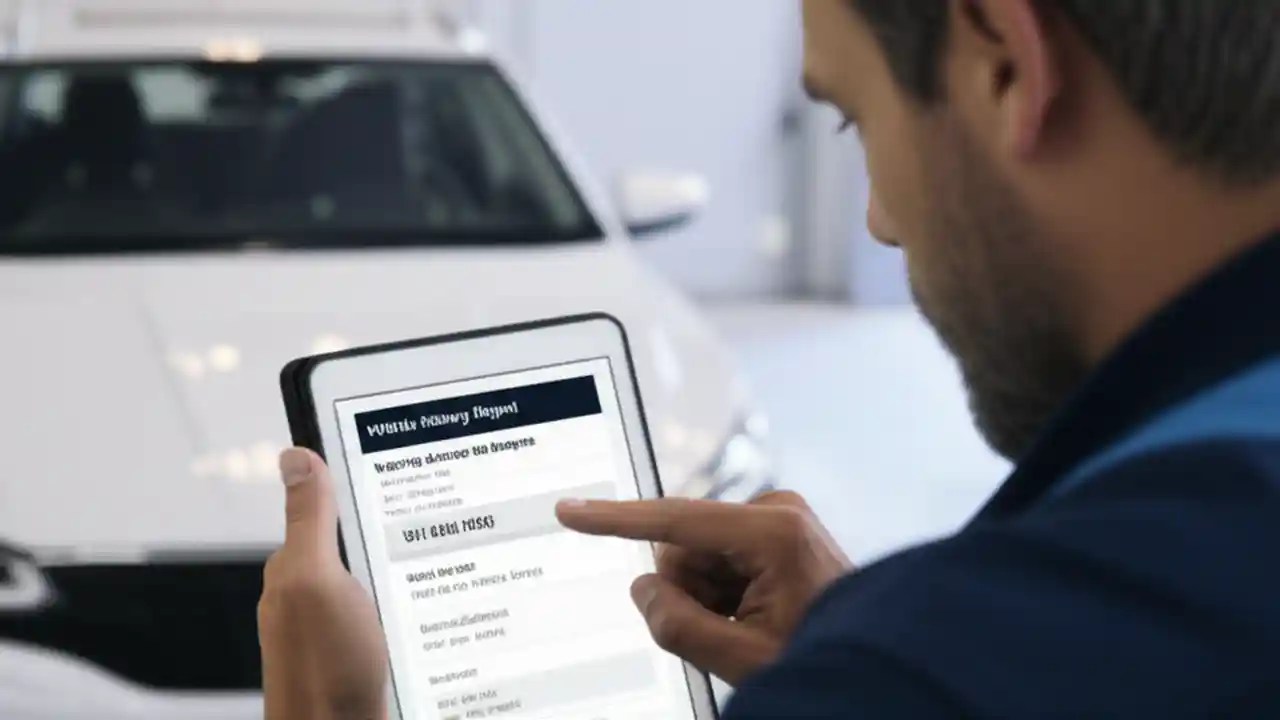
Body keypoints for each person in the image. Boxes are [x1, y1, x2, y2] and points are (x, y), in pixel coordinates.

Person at [257, 0, 1280, 717]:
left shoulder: (942, 677)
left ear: (1002, 58)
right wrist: (857, 638)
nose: (879, 222)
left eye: (853, 117)